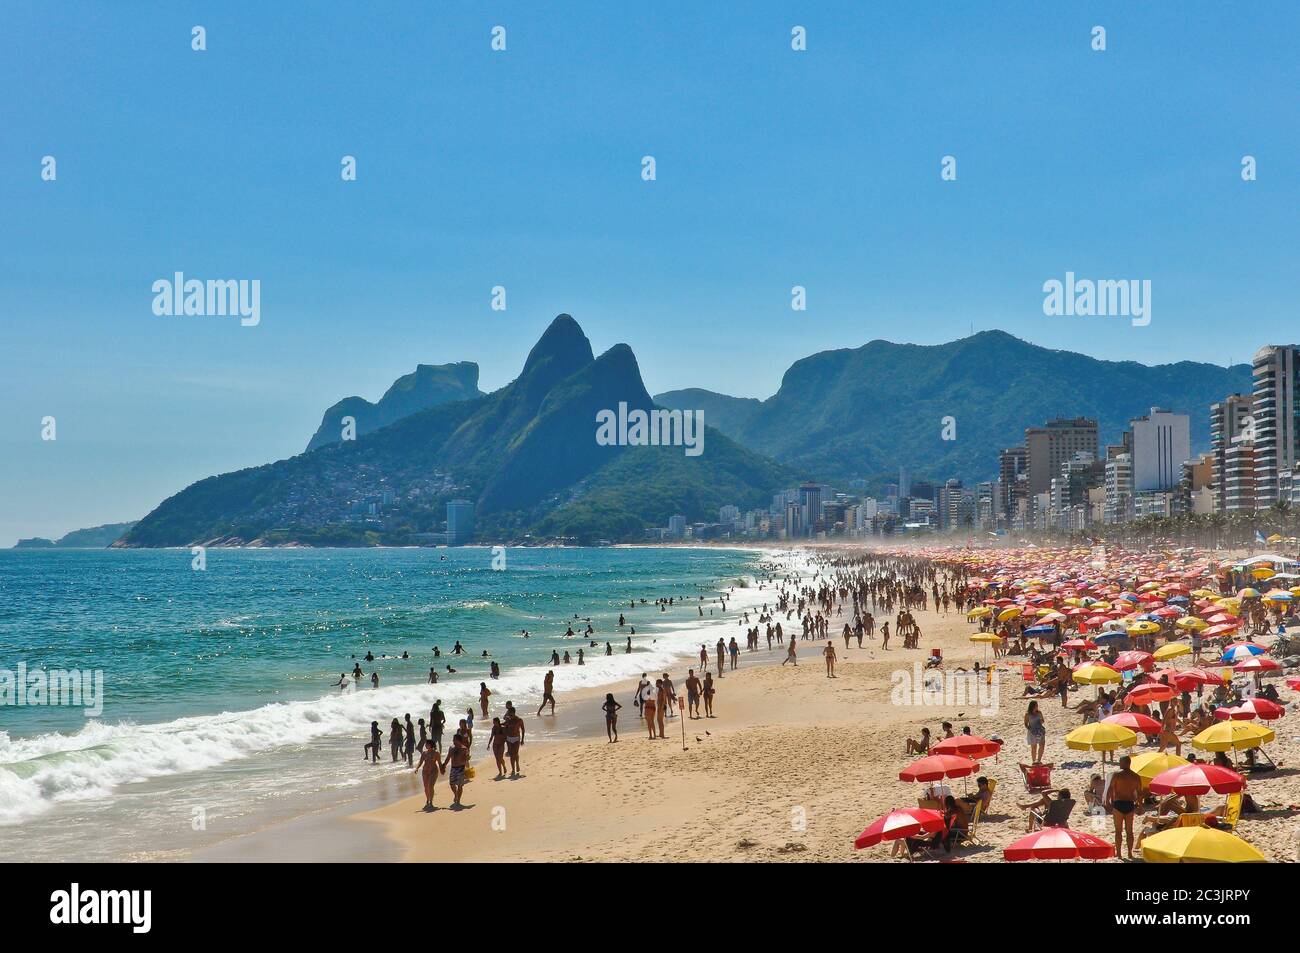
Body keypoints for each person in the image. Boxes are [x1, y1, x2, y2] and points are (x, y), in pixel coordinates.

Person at [1106, 755, 1142, 860]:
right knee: (1129, 831)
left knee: (1118, 831)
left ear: (1126, 763)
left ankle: (1120, 854)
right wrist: (1140, 806)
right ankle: (1130, 854)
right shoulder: (1136, 776)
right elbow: (1140, 793)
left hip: (1118, 804)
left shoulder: (1117, 775)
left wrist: (1108, 802)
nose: (1119, 764)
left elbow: (1110, 788)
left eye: (1121, 762)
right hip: (1130, 804)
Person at [441, 733, 471, 809]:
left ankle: (458, 800)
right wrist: (443, 766)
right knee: (451, 784)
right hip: (453, 768)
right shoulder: (451, 748)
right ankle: (456, 794)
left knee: (460, 785)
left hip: (461, 768)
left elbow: (467, 759)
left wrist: (467, 767)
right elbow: (448, 758)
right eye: (453, 740)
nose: (453, 741)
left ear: (459, 740)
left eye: (454, 740)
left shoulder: (464, 749)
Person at [414, 735, 442, 810]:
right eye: (426, 744)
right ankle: (428, 799)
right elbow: (420, 761)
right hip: (425, 771)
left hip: (433, 771)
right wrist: (417, 768)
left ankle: (431, 802)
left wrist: (442, 769)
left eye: (427, 744)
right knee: (426, 787)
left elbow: (439, 763)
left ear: (431, 745)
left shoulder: (436, 753)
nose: (425, 745)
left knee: (430, 786)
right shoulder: (424, 753)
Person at [503, 703, 524, 777]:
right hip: (509, 739)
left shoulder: (519, 720)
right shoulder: (508, 720)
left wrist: (522, 740)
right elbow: (504, 725)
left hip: (516, 738)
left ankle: (517, 764)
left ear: (514, 713)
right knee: (512, 755)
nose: (510, 716)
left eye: (511, 715)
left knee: (515, 753)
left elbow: (523, 730)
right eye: (509, 715)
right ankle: (513, 769)